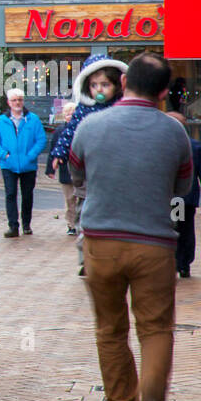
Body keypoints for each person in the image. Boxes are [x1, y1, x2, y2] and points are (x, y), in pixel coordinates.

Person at [69, 52, 192, 401]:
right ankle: (152, 398)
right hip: (154, 245)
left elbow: (76, 174)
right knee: (155, 328)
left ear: (124, 83)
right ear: (162, 92)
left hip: (100, 243)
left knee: (110, 330)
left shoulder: (91, 126)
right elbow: (183, 188)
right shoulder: (174, 133)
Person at [50, 53, 124, 272]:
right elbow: (70, 132)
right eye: (94, 85)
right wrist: (59, 153)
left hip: (115, 171)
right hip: (89, 172)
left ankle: (112, 256)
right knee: (85, 216)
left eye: (105, 84)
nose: (99, 90)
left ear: (117, 86)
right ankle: (85, 259)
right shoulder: (83, 109)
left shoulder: (122, 108)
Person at [166, 111, 201, 279]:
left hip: (172, 198)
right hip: (186, 197)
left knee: (172, 228)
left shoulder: (163, 145)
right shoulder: (194, 146)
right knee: (185, 229)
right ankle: (184, 263)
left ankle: (176, 262)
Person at [0, 87, 46, 238]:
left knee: (27, 195)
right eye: (14, 100)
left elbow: (41, 140)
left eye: (20, 100)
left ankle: (26, 224)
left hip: (28, 165)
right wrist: (4, 155)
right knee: (10, 194)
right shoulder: (1, 120)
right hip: (8, 164)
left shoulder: (33, 119)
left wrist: (31, 155)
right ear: (9, 102)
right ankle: (13, 226)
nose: (17, 103)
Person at [46, 100, 78, 236]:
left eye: (72, 114)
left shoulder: (83, 128)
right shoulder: (59, 131)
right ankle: (71, 224)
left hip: (82, 170)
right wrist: (50, 169)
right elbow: (53, 150)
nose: (70, 116)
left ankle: (82, 223)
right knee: (69, 199)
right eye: (67, 114)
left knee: (82, 198)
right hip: (66, 170)